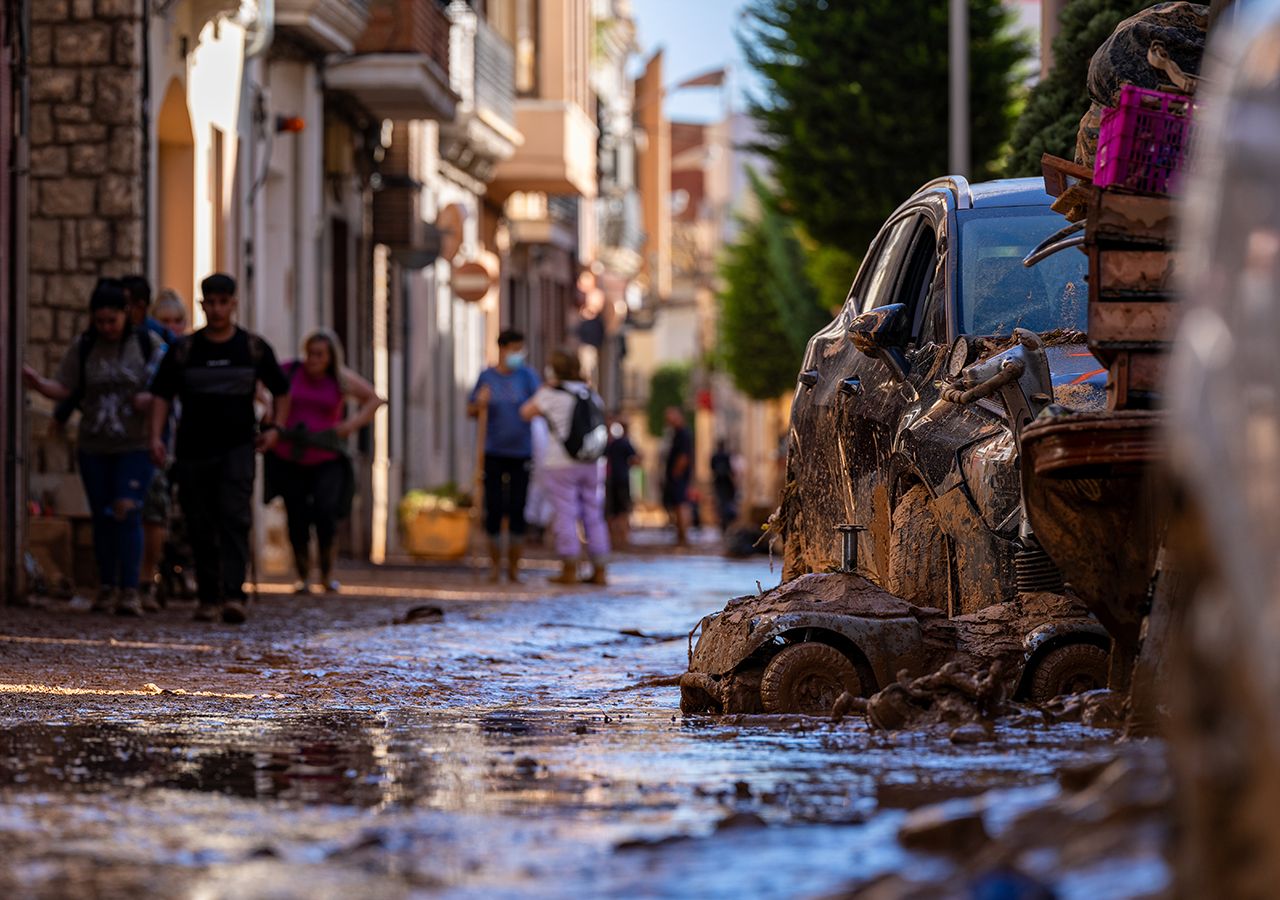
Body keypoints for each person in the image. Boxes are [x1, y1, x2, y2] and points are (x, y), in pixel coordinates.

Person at [149, 273, 291, 624]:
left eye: (222, 302)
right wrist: (156, 437)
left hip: (238, 447)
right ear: (202, 305)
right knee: (200, 522)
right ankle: (208, 596)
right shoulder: (185, 351)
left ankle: (233, 595)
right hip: (193, 450)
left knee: (234, 518)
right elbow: (161, 396)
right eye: (210, 303)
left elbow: (282, 390)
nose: (216, 309)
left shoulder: (252, 348)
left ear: (233, 304)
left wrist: (275, 428)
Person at [22, 278, 163, 616]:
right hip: (94, 446)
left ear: (125, 315)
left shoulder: (146, 343)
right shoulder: (84, 346)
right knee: (102, 516)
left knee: (127, 510)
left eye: (112, 321)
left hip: (134, 444)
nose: (106, 328)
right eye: (100, 321)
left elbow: (166, 390)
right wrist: (39, 384)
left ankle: (130, 589)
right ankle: (107, 585)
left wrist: (156, 427)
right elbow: (66, 386)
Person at [266, 329, 384, 594]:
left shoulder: (340, 380)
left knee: (325, 511)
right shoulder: (290, 371)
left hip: (326, 456)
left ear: (331, 357)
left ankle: (327, 572)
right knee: (296, 515)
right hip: (291, 454)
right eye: (310, 353)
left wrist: (350, 425)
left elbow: (375, 399)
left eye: (319, 354)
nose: (313, 359)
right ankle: (304, 574)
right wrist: (271, 413)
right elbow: (262, 385)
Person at [520, 351, 610, 585]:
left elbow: (526, 412)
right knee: (594, 514)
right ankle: (600, 569)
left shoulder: (551, 393)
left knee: (565, 513)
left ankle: (569, 568)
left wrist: (546, 389)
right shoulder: (590, 392)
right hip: (592, 462)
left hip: (560, 462)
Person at [467, 330, 540, 583]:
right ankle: (495, 566)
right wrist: (480, 402)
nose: (518, 354)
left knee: (518, 508)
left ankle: (515, 568)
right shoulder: (486, 377)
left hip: (522, 452)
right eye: (515, 349)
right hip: (493, 451)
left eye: (521, 349)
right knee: (495, 507)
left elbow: (540, 406)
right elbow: (471, 409)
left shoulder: (528, 376)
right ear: (502, 349)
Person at [137, 289, 189, 611]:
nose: (172, 327)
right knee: (156, 511)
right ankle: (150, 577)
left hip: (187, 445)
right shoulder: (153, 353)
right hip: (158, 445)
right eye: (164, 321)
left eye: (178, 321)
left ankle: (181, 574)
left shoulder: (191, 352)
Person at [604, 417, 638, 549]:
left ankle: (613, 537)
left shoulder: (609, 443)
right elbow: (635, 459)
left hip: (610, 479)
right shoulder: (623, 442)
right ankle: (622, 537)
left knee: (611, 510)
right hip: (621, 479)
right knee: (622, 509)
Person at [662, 406, 694, 547]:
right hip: (676, 475)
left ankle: (683, 536)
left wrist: (676, 472)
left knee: (681, 504)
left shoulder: (683, 434)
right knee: (678, 504)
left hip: (679, 476)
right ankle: (681, 535)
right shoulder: (677, 433)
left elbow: (683, 456)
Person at [710, 439, 739, 533]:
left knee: (721, 504)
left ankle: (724, 523)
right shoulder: (726, 456)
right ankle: (725, 523)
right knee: (725, 504)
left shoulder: (715, 456)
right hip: (725, 483)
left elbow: (712, 469)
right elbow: (731, 470)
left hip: (720, 483)